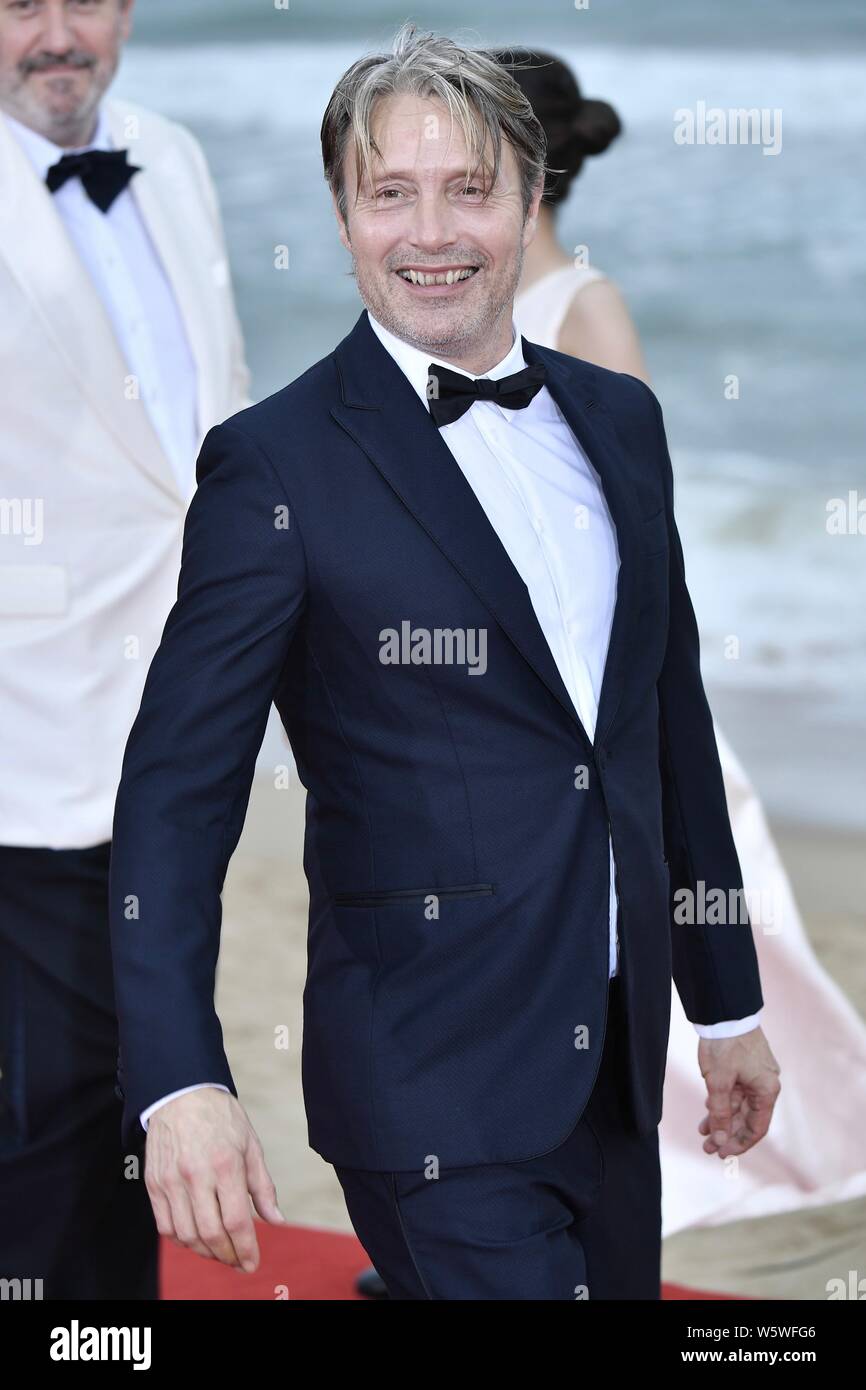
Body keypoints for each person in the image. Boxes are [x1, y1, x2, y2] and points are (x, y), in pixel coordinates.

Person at [107, 23, 780, 1301]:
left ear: (529, 199)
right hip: (424, 1077)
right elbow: (176, 791)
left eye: (467, 188)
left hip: (613, 1060)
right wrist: (179, 1076)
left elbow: (662, 728)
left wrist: (726, 1001)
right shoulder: (276, 466)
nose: (430, 233)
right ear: (344, 214)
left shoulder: (620, 423)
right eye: (390, 193)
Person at [502, 48, 866, 1236]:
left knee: (703, 907)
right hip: (500, 678)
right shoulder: (450, 306)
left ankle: (745, 1128)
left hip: (599, 674)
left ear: (527, 166)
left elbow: (630, 527)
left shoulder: (581, 309)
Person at [0, 0, 249, 1299]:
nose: (57, 32)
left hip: (184, 730)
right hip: (26, 743)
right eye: (20, 3)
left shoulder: (176, 154)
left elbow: (217, 417)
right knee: (36, 1130)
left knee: (132, 1105)